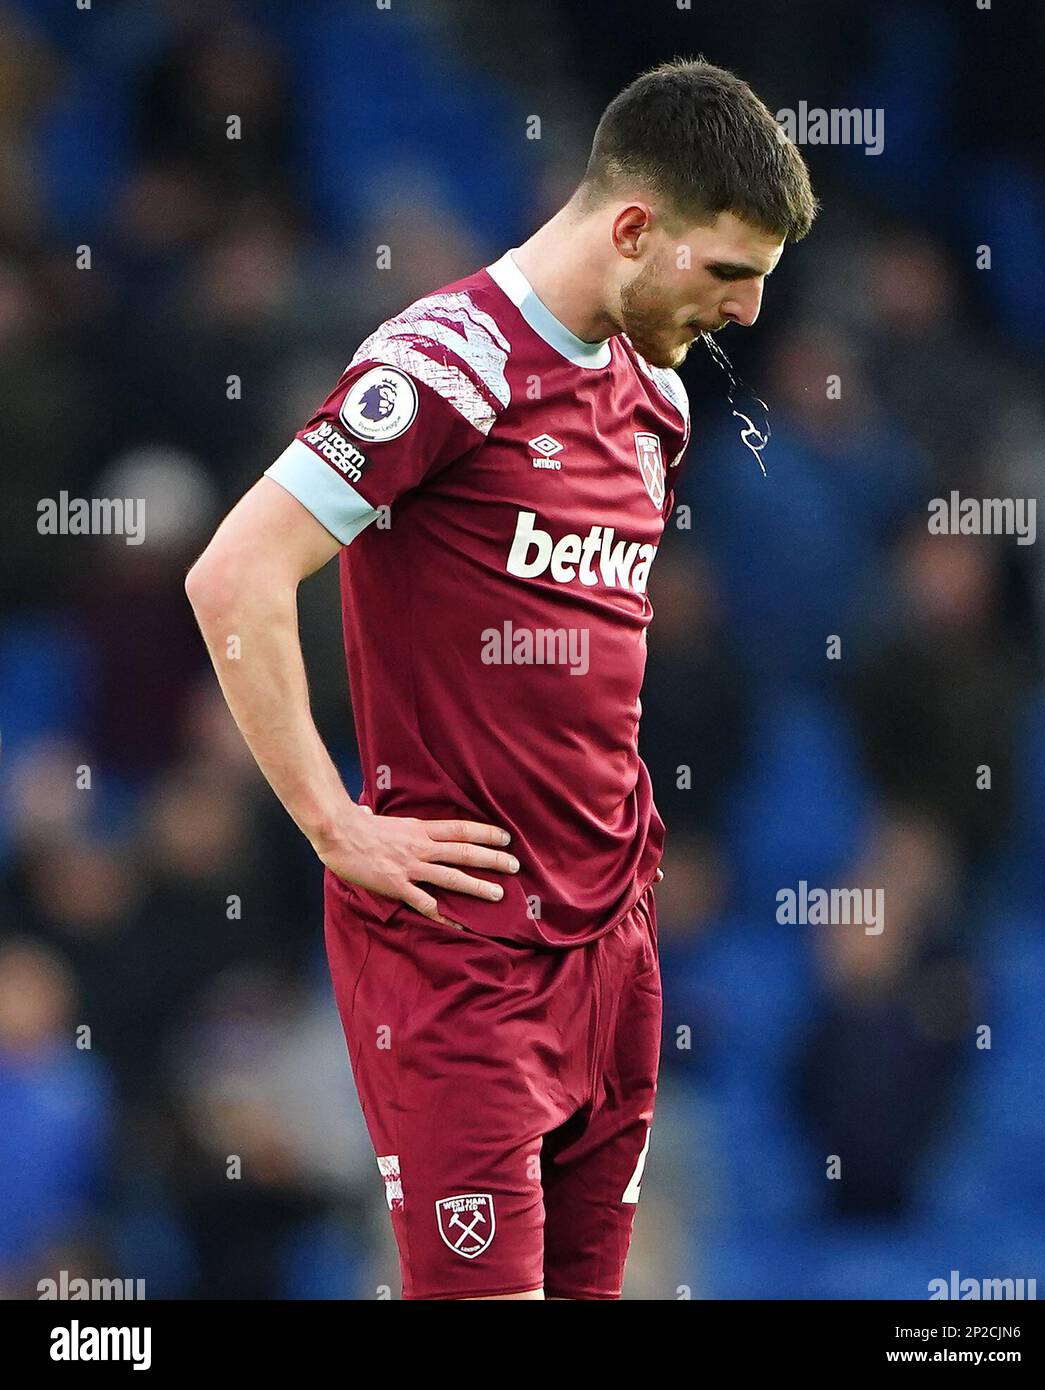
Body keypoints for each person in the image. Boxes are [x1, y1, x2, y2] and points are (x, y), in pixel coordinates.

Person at [186, 58, 816, 1300]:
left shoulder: (658, 394)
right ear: (634, 227)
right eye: (730, 272)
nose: (747, 314)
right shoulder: (444, 367)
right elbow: (234, 577)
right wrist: (335, 824)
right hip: (461, 950)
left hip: (612, 937)